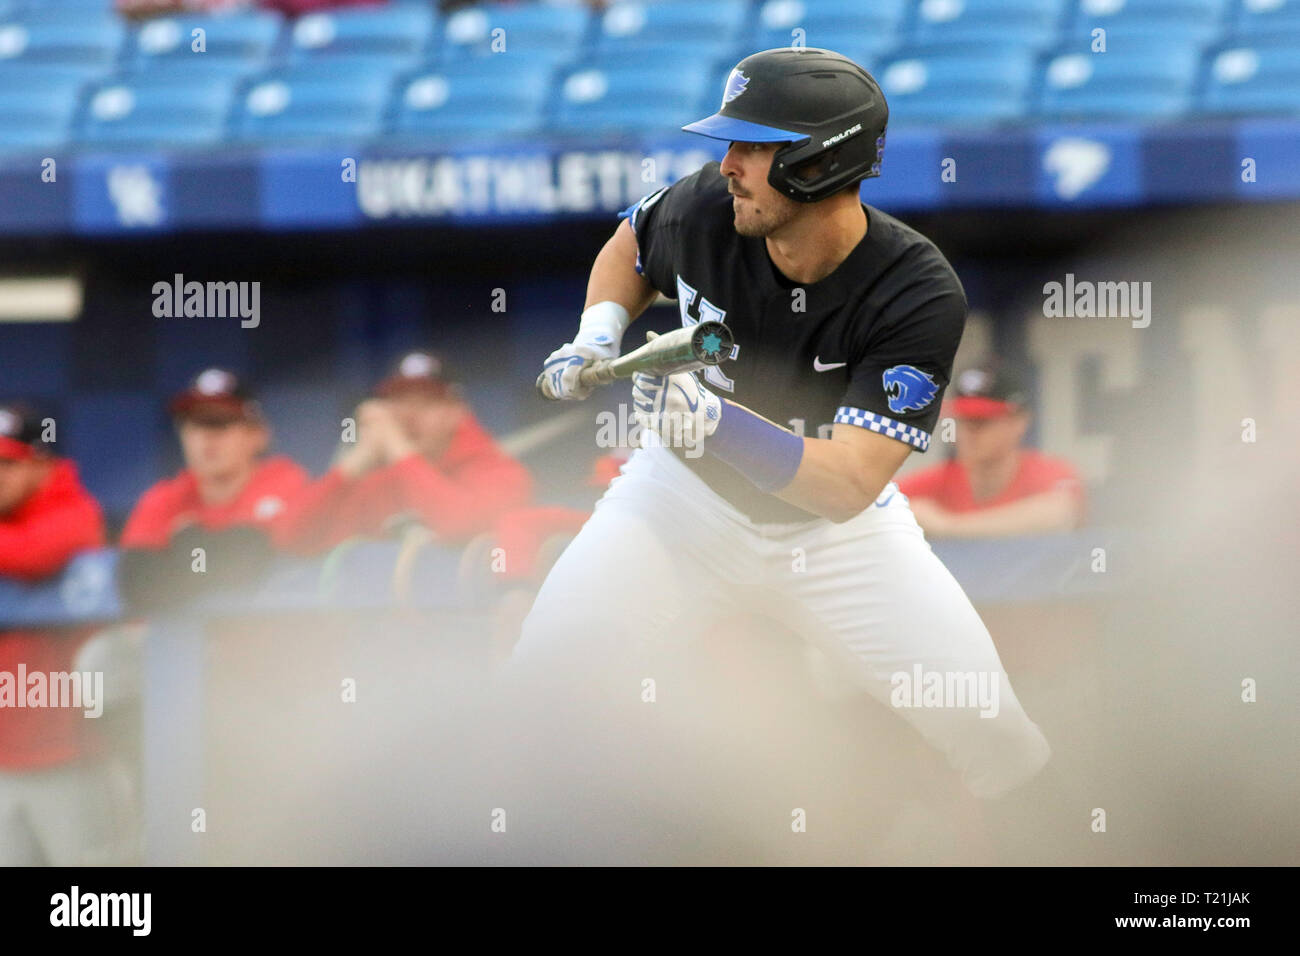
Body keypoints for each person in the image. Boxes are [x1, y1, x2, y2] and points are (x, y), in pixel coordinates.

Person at [517, 48, 1051, 803]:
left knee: (995, 735)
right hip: (680, 503)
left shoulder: (916, 289)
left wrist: (717, 424)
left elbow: (848, 487)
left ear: (818, 161)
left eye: (755, 145)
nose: (729, 163)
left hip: (836, 537)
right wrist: (598, 332)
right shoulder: (707, 207)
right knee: (534, 703)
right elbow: (632, 246)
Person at [0, 401, 113, 865]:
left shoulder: (73, 508)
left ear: (43, 464)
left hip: (70, 760)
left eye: (8, 463)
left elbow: (37, 552)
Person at [276, 349, 533, 554]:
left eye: (427, 403)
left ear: (458, 412)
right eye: (399, 401)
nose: (409, 415)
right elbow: (292, 539)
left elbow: (459, 528)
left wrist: (401, 451)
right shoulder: (381, 481)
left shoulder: (499, 473)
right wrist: (354, 463)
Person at [119, 368, 308, 607]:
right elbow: (136, 583)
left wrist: (186, 538)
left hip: (265, 638)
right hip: (178, 639)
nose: (206, 437)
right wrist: (212, 556)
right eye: (195, 424)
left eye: (220, 423)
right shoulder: (165, 496)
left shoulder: (284, 482)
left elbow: (243, 560)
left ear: (258, 435)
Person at [898, 363, 1086, 538]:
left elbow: (1060, 514)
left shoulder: (1048, 470)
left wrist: (948, 527)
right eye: (963, 420)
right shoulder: (937, 479)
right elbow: (878, 504)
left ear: (1019, 422)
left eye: (981, 421)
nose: (968, 432)